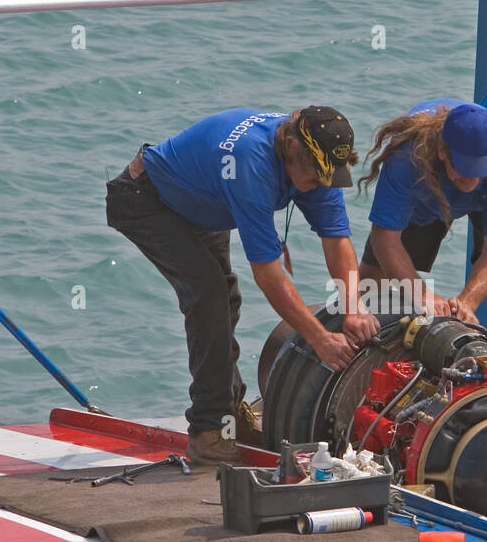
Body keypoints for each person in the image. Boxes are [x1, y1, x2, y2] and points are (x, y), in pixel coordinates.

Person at [106, 106, 379, 464]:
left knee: (227, 299)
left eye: (328, 176)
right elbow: (268, 275)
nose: (321, 184)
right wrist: (320, 338)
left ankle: (228, 417)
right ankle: (208, 430)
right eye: (315, 176)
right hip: (147, 199)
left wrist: (354, 307)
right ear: (292, 148)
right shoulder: (250, 165)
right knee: (210, 298)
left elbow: (337, 240)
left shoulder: (318, 163)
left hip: (204, 202)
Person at [358, 99, 487, 383]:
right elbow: (385, 239)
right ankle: (363, 378)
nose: (472, 179)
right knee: (372, 279)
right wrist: (423, 296)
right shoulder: (407, 156)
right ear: (442, 151)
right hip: (424, 193)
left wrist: (466, 304)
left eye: (480, 169)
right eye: (465, 168)